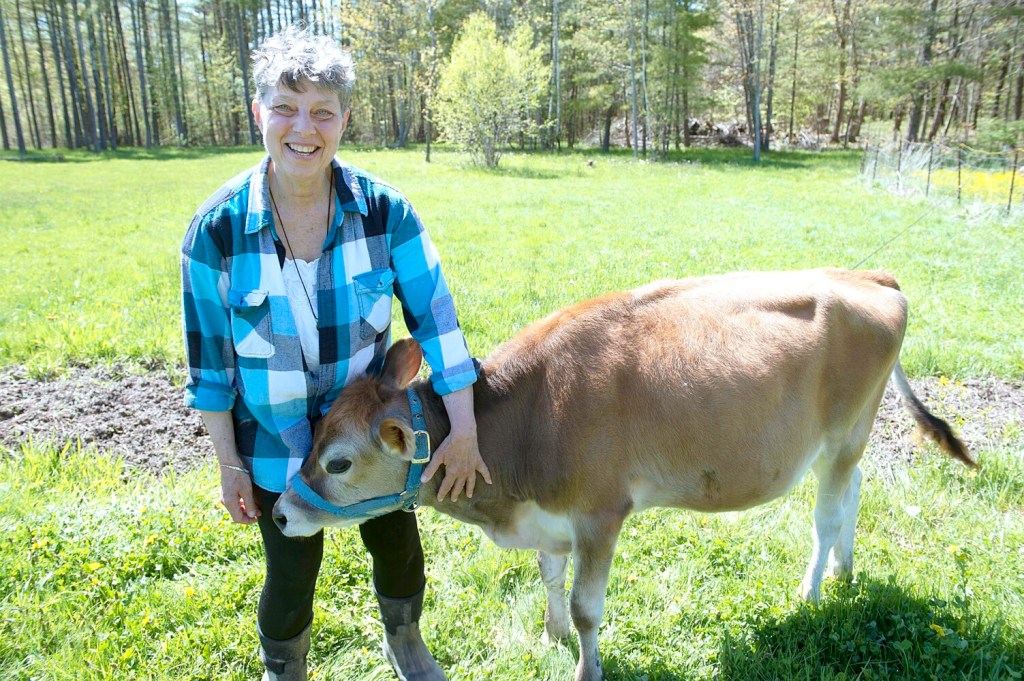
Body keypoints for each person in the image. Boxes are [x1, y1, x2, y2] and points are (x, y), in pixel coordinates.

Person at [180, 27, 489, 681]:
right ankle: (283, 668)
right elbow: (210, 369)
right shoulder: (216, 232)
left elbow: (438, 323)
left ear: (344, 119)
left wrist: (463, 429)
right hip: (276, 441)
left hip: (373, 435)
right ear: (259, 112)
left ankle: (406, 642)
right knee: (291, 574)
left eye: (323, 111)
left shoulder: (386, 214)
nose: (304, 128)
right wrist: (230, 463)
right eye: (287, 108)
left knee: (400, 548)